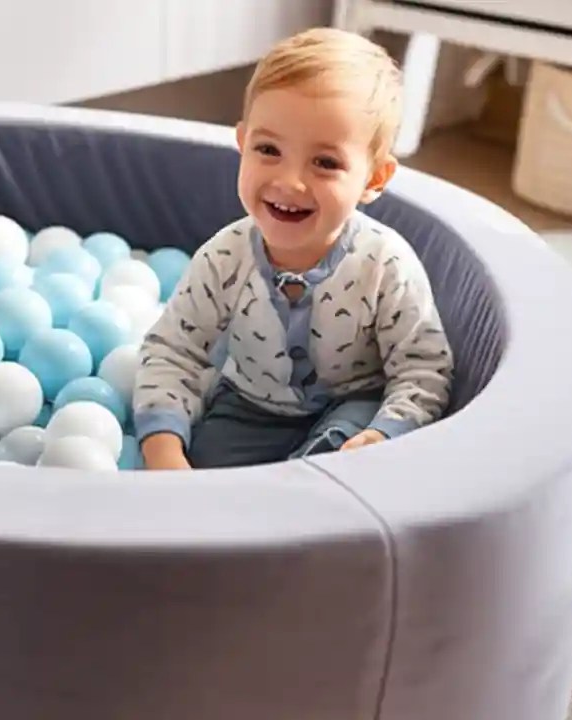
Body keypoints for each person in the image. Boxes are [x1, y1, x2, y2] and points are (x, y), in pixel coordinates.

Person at [133, 27, 454, 470]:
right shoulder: (225, 258)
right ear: (242, 144)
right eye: (268, 149)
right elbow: (173, 351)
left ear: (374, 179)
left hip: (351, 404)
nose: (289, 182)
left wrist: (385, 431)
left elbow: (423, 366)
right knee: (203, 476)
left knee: (341, 463)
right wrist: (163, 446)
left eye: (325, 162)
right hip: (249, 408)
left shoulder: (385, 264)